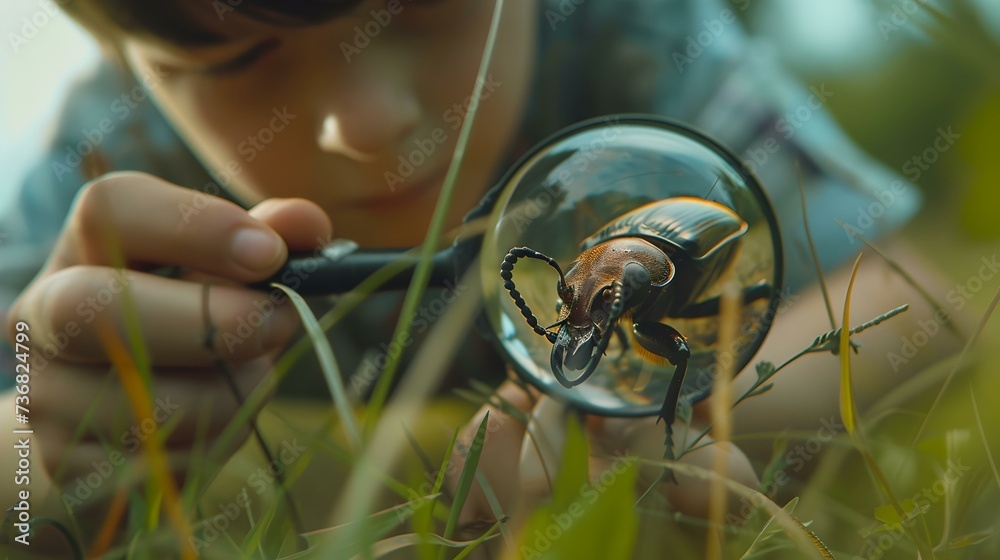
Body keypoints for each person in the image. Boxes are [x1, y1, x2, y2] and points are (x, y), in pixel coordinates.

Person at [0, 0, 961, 556]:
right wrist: (47, 462)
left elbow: (912, 297)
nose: (366, 122)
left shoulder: (628, 32)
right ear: (128, 58)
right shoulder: (106, 153)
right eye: (242, 58)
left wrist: (646, 422)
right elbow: (20, 404)